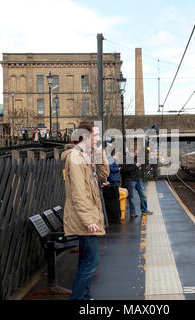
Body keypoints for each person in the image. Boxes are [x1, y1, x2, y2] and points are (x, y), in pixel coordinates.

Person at [61, 120, 109, 300]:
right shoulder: (75, 158)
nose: (97, 139)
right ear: (85, 136)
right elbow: (78, 193)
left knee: (86, 260)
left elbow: (103, 174)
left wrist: (99, 151)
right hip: (84, 219)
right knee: (92, 261)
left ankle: (85, 296)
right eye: (95, 136)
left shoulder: (85, 157)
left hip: (88, 216)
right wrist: (89, 220)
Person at [121, 149, 153, 218]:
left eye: (136, 153)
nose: (136, 154)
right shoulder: (126, 159)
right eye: (135, 153)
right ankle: (133, 212)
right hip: (130, 180)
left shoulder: (135, 158)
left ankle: (144, 210)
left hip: (138, 179)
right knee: (131, 197)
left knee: (143, 195)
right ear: (131, 152)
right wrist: (135, 166)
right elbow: (124, 169)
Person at [102, 151, 122, 223]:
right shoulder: (111, 160)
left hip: (114, 179)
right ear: (115, 155)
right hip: (113, 180)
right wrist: (118, 169)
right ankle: (116, 217)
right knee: (115, 199)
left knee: (115, 199)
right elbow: (109, 169)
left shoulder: (111, 160)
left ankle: (116, 216)